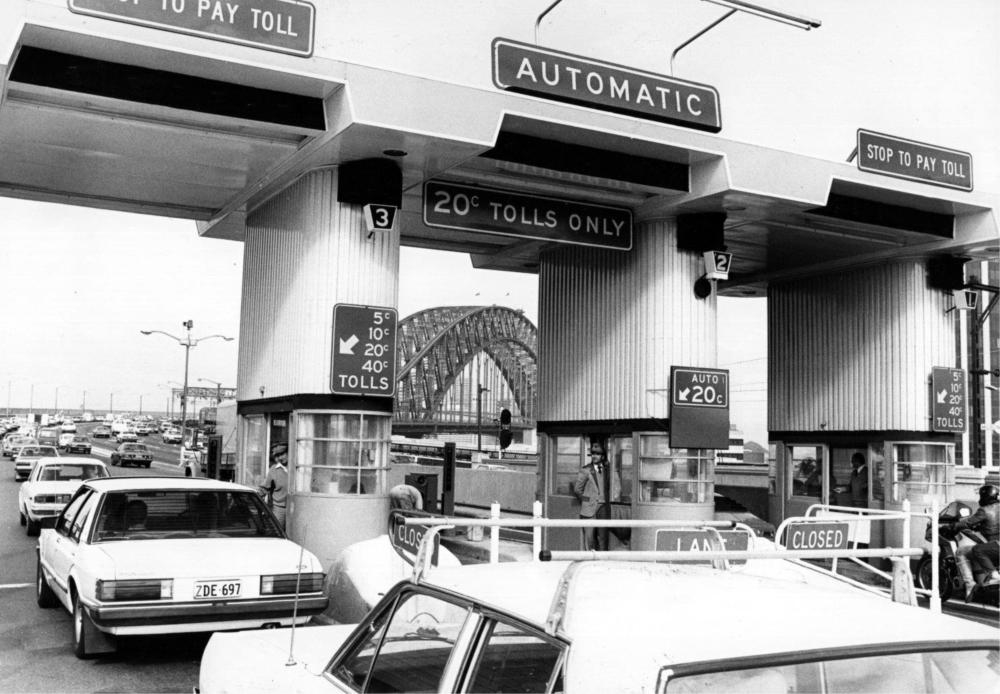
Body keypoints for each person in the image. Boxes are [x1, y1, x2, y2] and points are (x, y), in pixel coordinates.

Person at [952, 484, 1000, 600]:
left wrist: (952, 526)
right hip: (995, 546)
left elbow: (968, 522)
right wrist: (979, 527)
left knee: (961, 552)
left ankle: (970, 584)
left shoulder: (984, 510)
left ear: (985, 496)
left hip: (995, 546)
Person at [573, 438, 618, 550]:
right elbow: (577, 490)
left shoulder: (608, 470)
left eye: (598, 454)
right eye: (593, 453)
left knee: (603, 538)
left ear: (602, 456)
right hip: (589, 510)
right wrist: (587, 500)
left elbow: (614, 485)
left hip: (603, 508)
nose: (594, 456)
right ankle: (589, 558)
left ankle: (601, 559)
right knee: (589, 539)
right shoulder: (586, 470)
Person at [261, 443, 289, 530]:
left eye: (282, 454)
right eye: (277, 456)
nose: (280, 458)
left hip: (296, 507)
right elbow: (264, 488)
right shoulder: (274, 469)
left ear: (288, 453)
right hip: (279, 508)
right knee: (277, 531)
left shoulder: (296, 468)